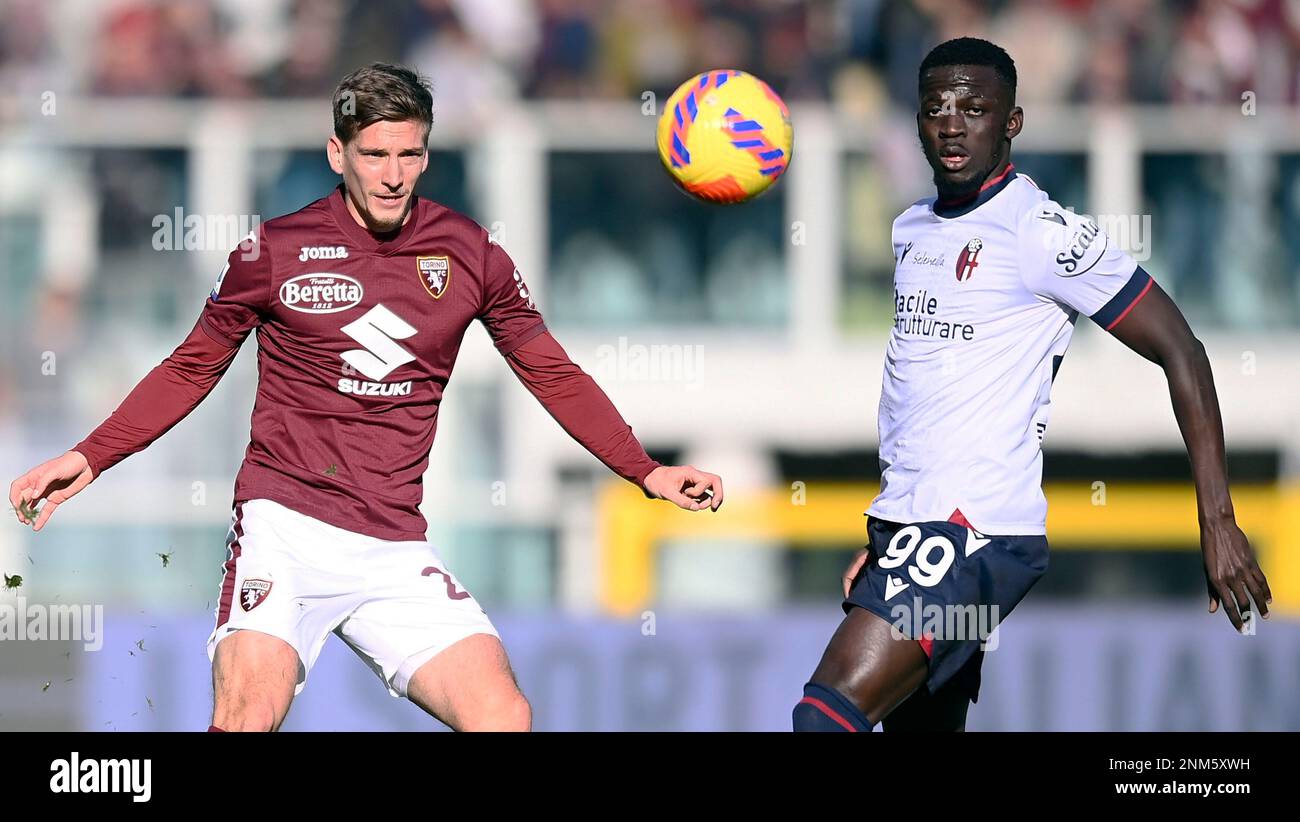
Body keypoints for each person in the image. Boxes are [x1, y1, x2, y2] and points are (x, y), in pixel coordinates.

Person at [9, 63, 724, 732]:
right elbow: (192, 367)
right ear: (336, 154)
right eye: (375, 155)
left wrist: (645, 470)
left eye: (409, 156)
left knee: (505, 716)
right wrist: (91, 456)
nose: (392, 176)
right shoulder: (271, 253)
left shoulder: (471, 256)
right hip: (283, 530)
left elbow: (552, 372)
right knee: (247, 713)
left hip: (391, 546)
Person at [792, 38, 1270, 732]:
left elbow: (1182, 349)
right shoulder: (910, 229)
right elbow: (923, 398)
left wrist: (1218, 520)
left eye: (975, 108)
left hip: (975, 535)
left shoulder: (1040, 232)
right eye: (935, 109)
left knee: (823, 715)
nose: (952, 123)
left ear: (1011, 123)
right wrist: (892, 531)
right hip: (916, 531)